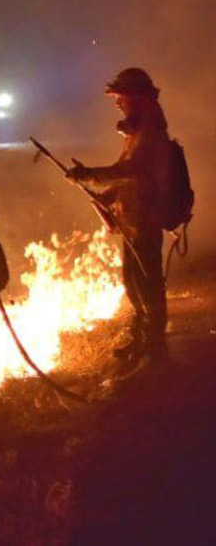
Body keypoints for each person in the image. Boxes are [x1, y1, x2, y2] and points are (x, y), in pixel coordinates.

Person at [67, 67, 172, 364]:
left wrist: (89, 176)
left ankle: (155, 347)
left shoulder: (149, 133)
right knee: (132, 282)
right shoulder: (137, 133)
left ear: (136, 97)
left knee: (147, 284)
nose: (116, 103)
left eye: (120, 97)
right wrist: (106, 197)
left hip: (145, 221)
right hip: (132, 220)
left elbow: (129, 173)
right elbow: (127, 179)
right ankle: (143, 339)